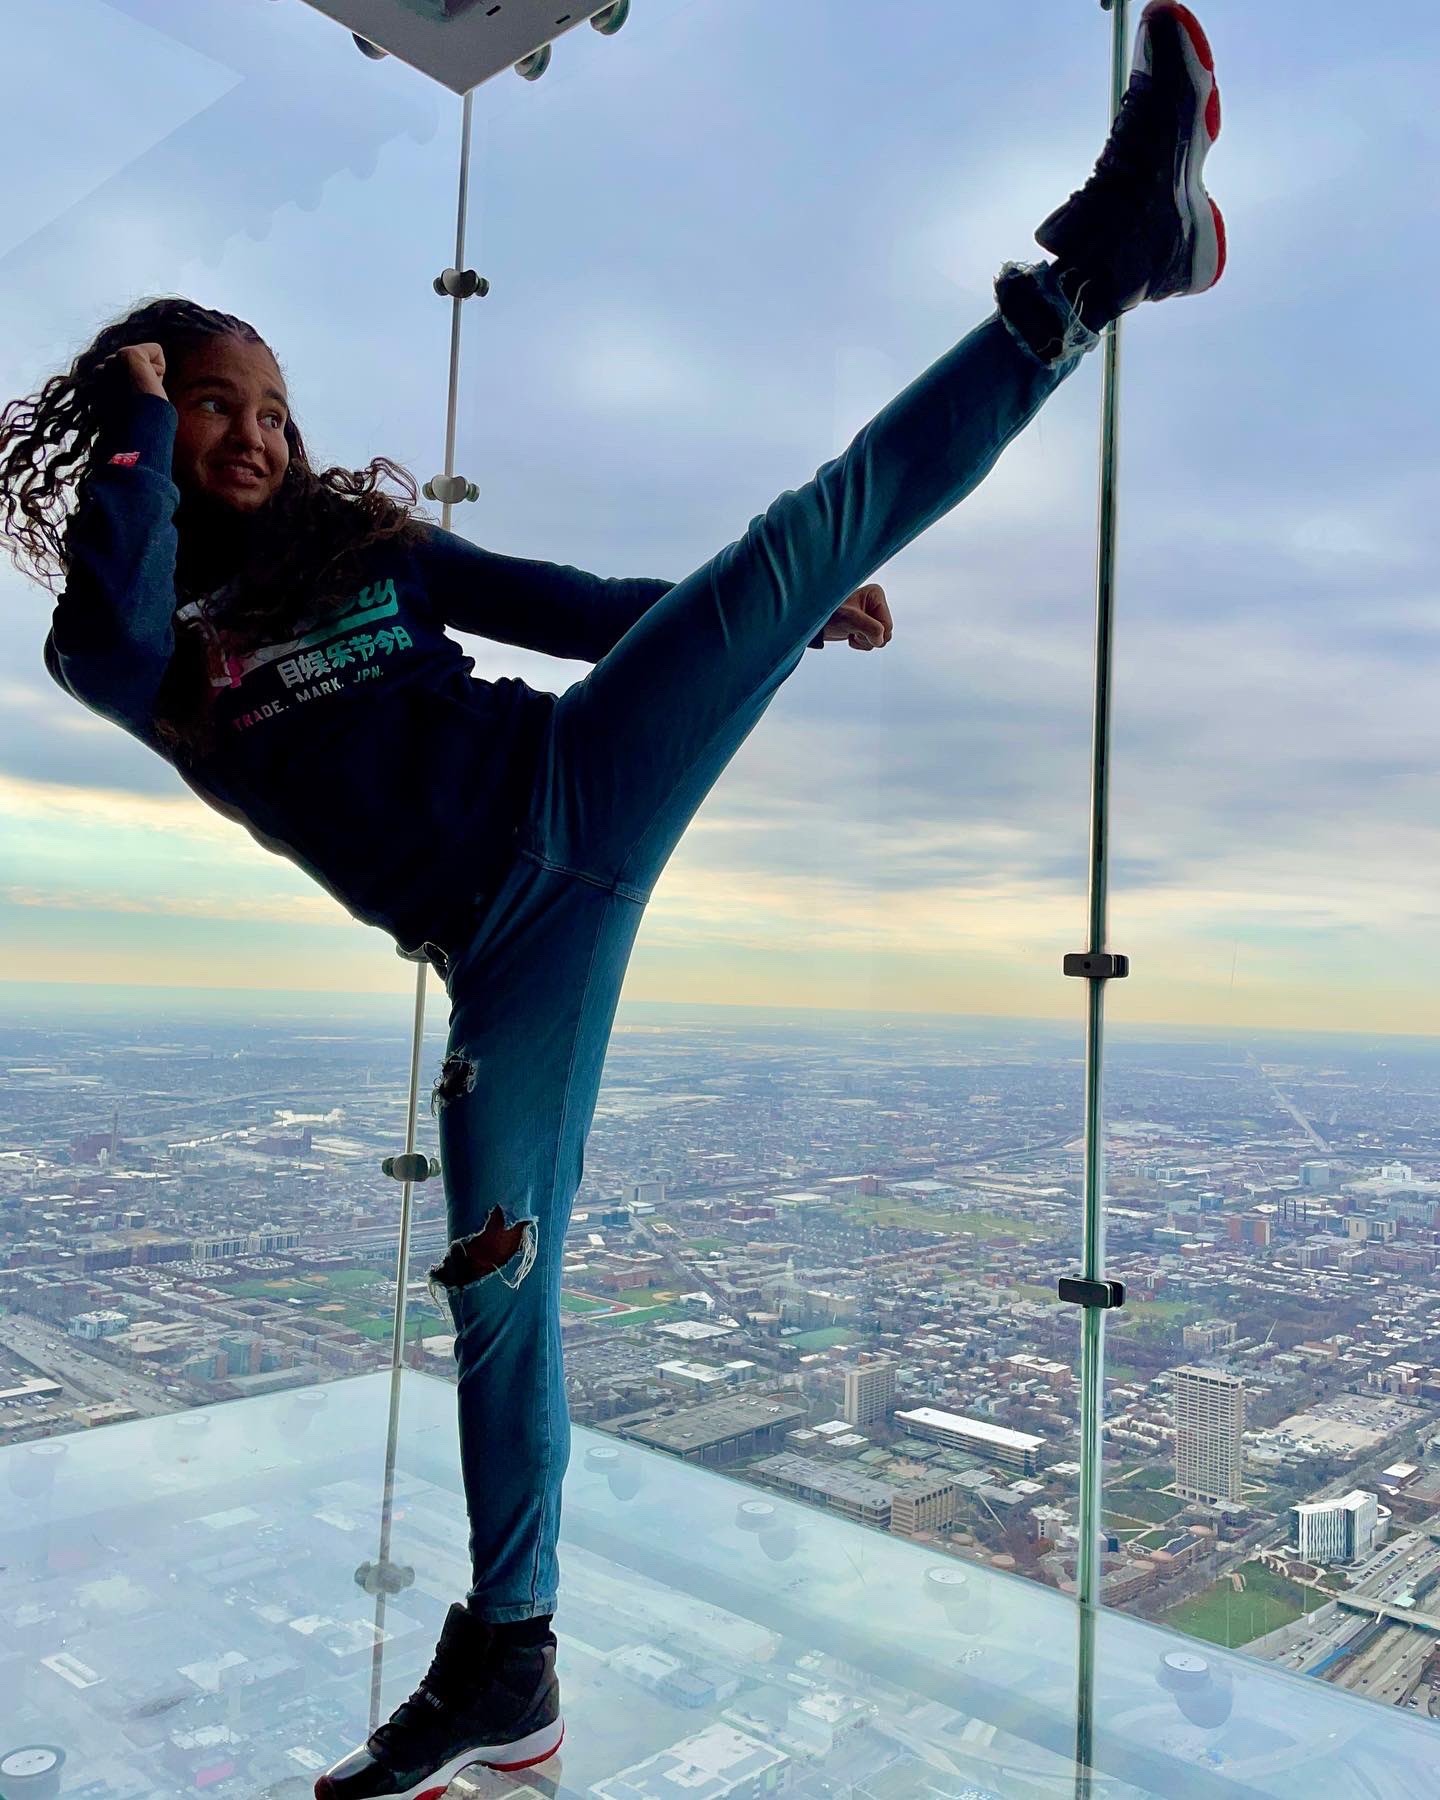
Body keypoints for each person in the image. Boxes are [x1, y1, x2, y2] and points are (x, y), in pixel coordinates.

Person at [0, 4, 1223, 1794]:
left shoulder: (376, 551)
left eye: (271, 404)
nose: (253, 433)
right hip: (501, 953)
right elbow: (103, 616)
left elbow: (572, 604)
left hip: (578, 775)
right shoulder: (151, 658)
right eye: (210, 407)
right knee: (498, 1284)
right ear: (148, 422)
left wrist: (773, 618)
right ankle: (512, 1664)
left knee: (814, 527)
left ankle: (1109, 257)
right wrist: (123, 415)